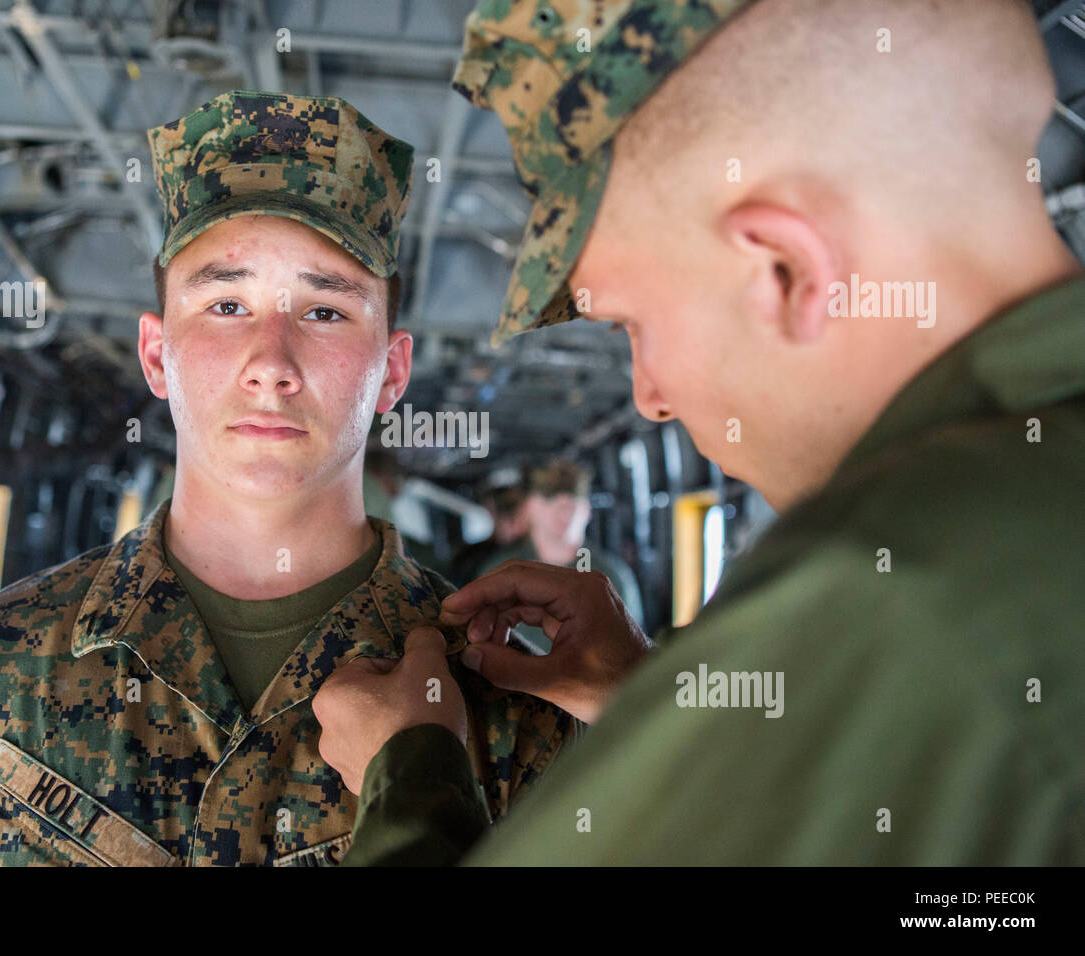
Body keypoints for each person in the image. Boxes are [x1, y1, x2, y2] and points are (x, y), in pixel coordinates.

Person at [313, 0, 1085, 864]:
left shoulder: (899, 591)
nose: (650, 399)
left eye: (633, 322)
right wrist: (644, 691)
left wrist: (405, 771)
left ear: (784, 271)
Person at [0, 90, 573, 867]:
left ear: (391, 373)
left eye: (324, 313)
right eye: (227, 304)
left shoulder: (514, 711)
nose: (272, 365)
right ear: (157, 356)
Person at [468, 458, 643, 649]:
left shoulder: (612, 577)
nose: (565, 513)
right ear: (530, 507)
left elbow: (631, 654)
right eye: (551, 501)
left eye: (573, 503)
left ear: (586, 511)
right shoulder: (499, 571)